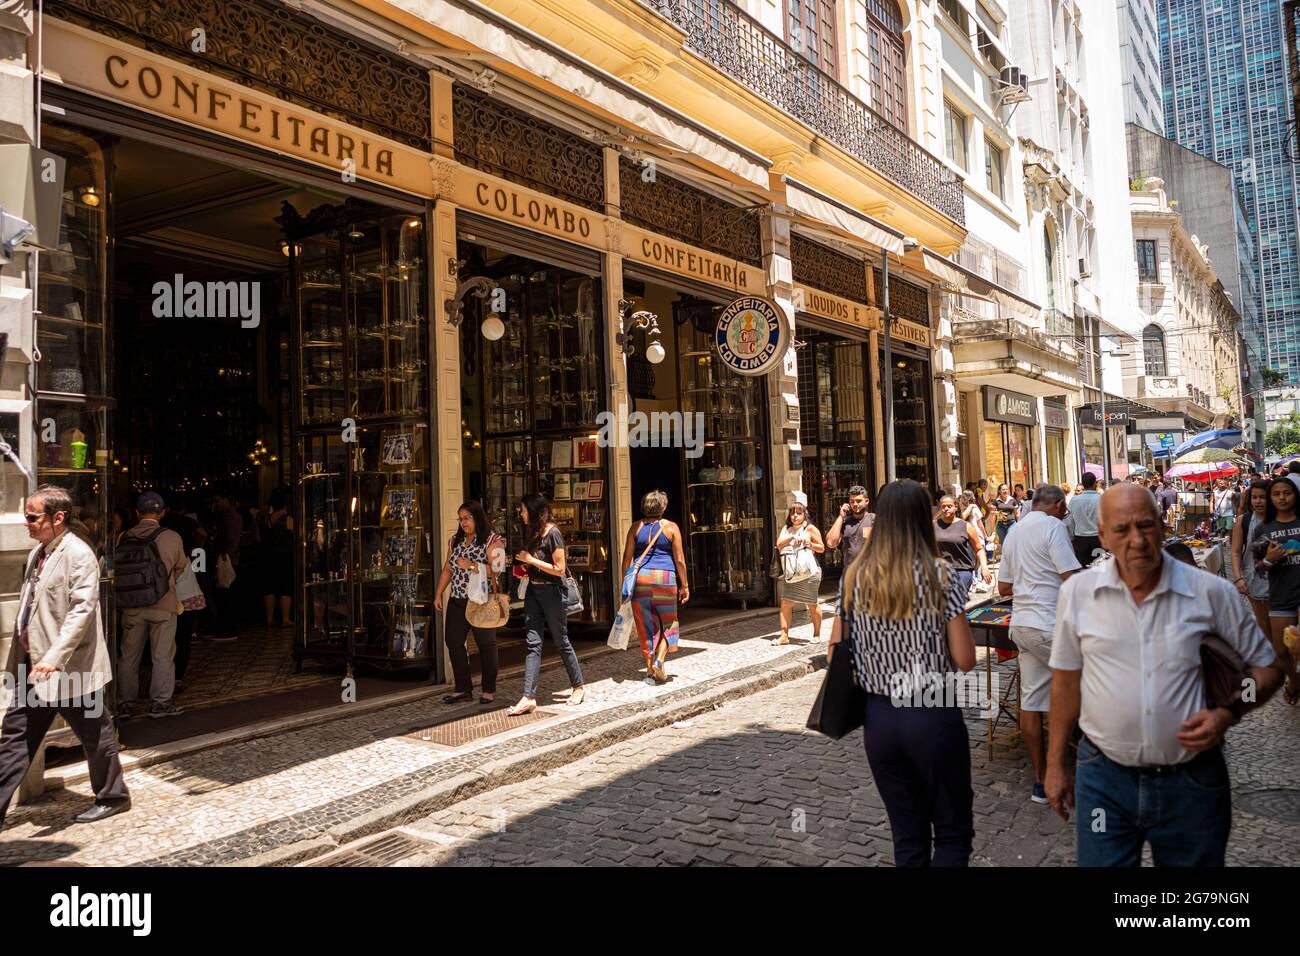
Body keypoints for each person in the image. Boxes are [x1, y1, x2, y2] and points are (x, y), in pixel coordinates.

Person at [1045, 484, 1282, 866]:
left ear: (1162, 526)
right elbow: (1065, 682)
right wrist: (1055, 765)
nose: (1136, 540)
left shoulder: (1212, 593)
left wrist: (1229, 712)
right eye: (1121, 530)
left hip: (1192, 782)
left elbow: (1268, 669)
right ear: (1102, 535)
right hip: (1103, 779)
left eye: (1146, 526)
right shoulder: (1079, 594)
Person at [828, 479, 977, 867]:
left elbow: (835, 654)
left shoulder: (854, 577)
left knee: (908, 837)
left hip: (881, 719)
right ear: (920, 520)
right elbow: (965, 658)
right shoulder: (939, 575)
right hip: (933, 710)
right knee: (951, 831)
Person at [0, 485, 131, 825]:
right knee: (15, 737)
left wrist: (54, 658)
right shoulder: (38, 552)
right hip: (34, 667)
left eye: (32, 517)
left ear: (58, 518)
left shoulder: (79, 553)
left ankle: (113, 796)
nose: (26, 522)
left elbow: (82, 610)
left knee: (95, 734)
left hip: (71, 669)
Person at [996, 483, 1082, 803]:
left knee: (1031, 703)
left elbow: (1004, 586)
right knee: (1093, 682)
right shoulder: (1054, 526)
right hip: (1050, 625)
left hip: (1022, 625)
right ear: (1058, 505)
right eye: (1065, 508)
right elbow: (1071, 578)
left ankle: (1040, 781)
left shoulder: (1016, 531)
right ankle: (1098, 764)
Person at [508, 493, 585, 716]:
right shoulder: (533, 533)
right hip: (533, 589)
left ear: (533, 512)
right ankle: (528, 696)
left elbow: (559, 569)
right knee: (533, 642)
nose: (520, 514)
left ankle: (578, 686)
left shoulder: (554, 534)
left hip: (552, 592)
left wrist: (531, 560)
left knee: (561, 640)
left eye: (523, 510)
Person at [116, 492, 190, 719]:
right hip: (163, 603)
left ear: (137, 513)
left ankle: (125, 704)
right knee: (163, 655)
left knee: (128, 656)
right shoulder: (172, 537)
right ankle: (160, 703)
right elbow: (181, 567)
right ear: (163, 512)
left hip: (131, 605)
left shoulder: (123, 537)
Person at [435, 500, 505, 704]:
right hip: (458, 598)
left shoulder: (493, 540)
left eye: (467, 518)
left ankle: (488, 690)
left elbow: (498, 569)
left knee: (486, 644)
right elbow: (448, 569)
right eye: (461, 519)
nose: (463, 523)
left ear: (477, 517)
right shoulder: (454, 541)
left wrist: (473, 565)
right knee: (453, 642)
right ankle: (463, 688)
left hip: (481, 600)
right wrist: (439, 594)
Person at [620, 491, 690, 685]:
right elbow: (680, 560)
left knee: (645, 626)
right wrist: (684, 585)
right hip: (665, 579)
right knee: (670, 623)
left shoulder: (636, 527)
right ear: (663, 507)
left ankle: (650, 669)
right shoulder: (671, 528)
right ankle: (660, 659)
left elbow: (627, 559)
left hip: (640, 581)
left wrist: (626, 584)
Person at [1254, 477, 1300, 705]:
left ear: (1295, 495)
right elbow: (1258, 566)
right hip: (1281, 595)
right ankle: (1294, 679)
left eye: (1287, 493)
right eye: (1277, 494)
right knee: (1281, 650)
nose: (1282, 497)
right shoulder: (1263, 529)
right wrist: (1269, 560)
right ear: (1271, 498)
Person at [775, 497, 825, 646]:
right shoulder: (786, 529)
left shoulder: (809, 528)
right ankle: (784, 636)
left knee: (812, 603)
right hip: (791, 573)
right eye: (792, 513)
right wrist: (791, 538)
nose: (795, 516)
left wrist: (809, 544)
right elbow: (778, 545)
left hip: (809, 573)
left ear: (804, 515)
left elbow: (821, 547)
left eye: (798, 513)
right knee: (785, 603)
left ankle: (816, 634)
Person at [1231, 479, 1271, 640]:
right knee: (1263, 624)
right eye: (1255, 497)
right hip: (1253, 578)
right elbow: (1235, 552)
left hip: (1282, 579)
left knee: (1282, 626)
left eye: (1263, 497)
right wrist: (1238, 577)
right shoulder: (1244, 520)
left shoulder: (1282, 518)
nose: (1258, 501)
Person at [934, 495, 991, 597]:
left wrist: (984, 568)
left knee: (955, 599)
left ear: (956, 507)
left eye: (949, 506)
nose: (946, 508)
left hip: (962, 571)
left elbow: (979, 549)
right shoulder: (933, 526)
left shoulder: (966, 526)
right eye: (943, 506)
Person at [257, 486, 294, 628]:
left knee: (269, 587)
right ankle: (285, 618)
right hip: (285, 555)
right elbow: (294, 537)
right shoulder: (288, 519)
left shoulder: (264, 519)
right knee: (285, 586)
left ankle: (269, 618)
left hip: (267, 555)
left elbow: (258, 538)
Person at [209, 489, 243, 641]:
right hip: (226, 558)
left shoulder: (231, 517)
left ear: (225, 500)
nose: (215, 504)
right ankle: (227, 626)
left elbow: (232, 540)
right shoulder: (226, 516)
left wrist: (226, 555)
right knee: (225, 593)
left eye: (217, 500)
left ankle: (228, 627)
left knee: (226, 593)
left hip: (227, 560)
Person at [824, 484, 873, 571]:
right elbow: (831, 543)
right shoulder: (845, 523)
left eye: (858, 501)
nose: (855, 504)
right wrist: (841, 516)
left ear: (866, 501)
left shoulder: (874, 520)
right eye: (852, 501)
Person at [1066, 472, 1102, 568]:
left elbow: (1070, 521)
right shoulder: (1102, 499)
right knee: (1100, 569)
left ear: (1083, 484)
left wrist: (1072, 537)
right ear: (1095, 483)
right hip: (1098, 539)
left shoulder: (1074, 500)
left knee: (1082, 568)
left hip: (1080, 539)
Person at [991, 483, 1018, 552]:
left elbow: (1016, 513)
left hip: (1011, 524)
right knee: (1003, 543)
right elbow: (992, 514)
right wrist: (993, 529)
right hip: (1000, 525)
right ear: (999, 491)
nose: (1005, 491)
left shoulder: (1013, 500)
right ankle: (1006, 559)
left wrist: (1019, 524)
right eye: (1003, 489)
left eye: (1006, 489)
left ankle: (1012, 557)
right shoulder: (996, 501)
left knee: (1010, 540)